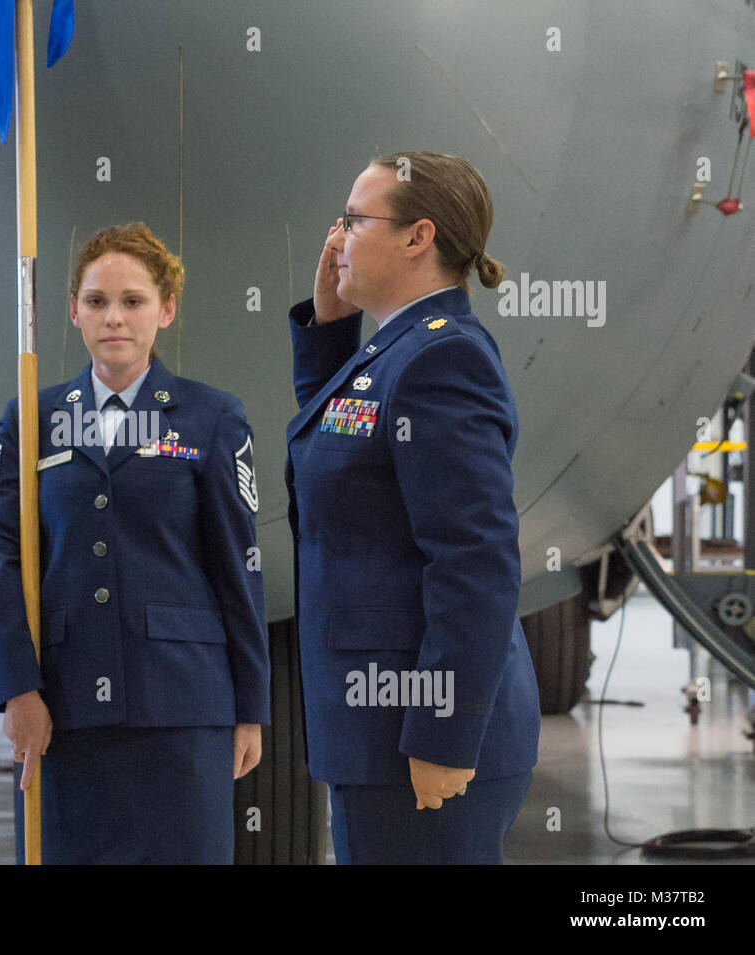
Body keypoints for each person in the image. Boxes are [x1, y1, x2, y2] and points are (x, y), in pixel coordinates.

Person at [0, 223, 270, 864]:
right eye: (96, 301)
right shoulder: (32, 418)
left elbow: (238, 566)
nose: (114, 318)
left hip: (182, 709)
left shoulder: (212, 418)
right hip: (63, 711)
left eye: (133, 301)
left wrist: (250, 706)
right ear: (72, 311)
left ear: (165, 310)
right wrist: (16, 687)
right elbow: (0, 555)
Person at [285, 151, 541, 864]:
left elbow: (477, 561)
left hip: (417, 739)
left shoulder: (440, 361)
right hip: (375, 733)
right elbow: (341, 462)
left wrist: (443, 732)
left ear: (417, 237)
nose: (336, 238)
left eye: (354, 219)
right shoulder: (396, 351)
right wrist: (330, 331)